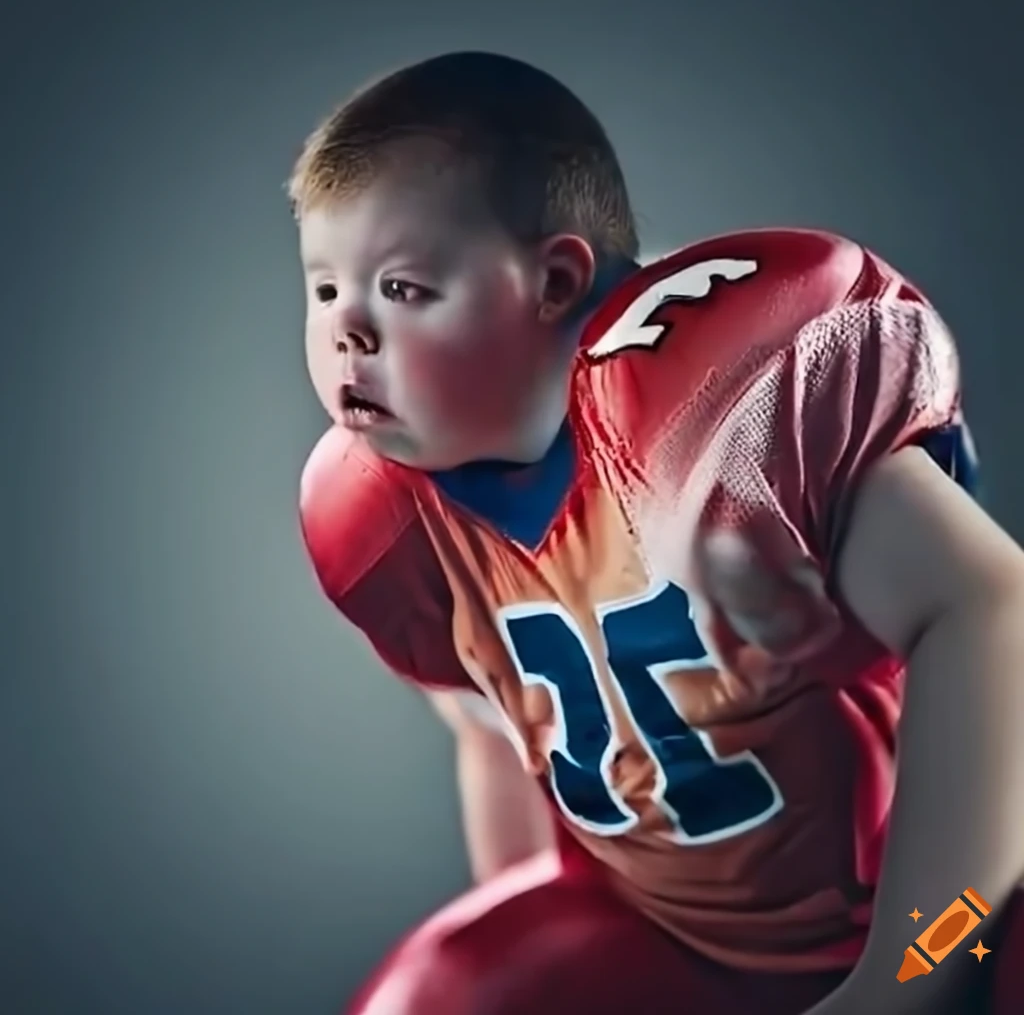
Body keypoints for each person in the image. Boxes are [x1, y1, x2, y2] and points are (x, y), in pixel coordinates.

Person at [290, 52, 1024, 1014]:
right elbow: (492, 734)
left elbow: (993, 610)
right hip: (674, 941)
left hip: (938, 907)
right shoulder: (383, 519)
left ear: (553, 283)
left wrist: (906, 977)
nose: (348, 330)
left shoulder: (717, 419)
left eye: (401, 288)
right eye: (323, 290)